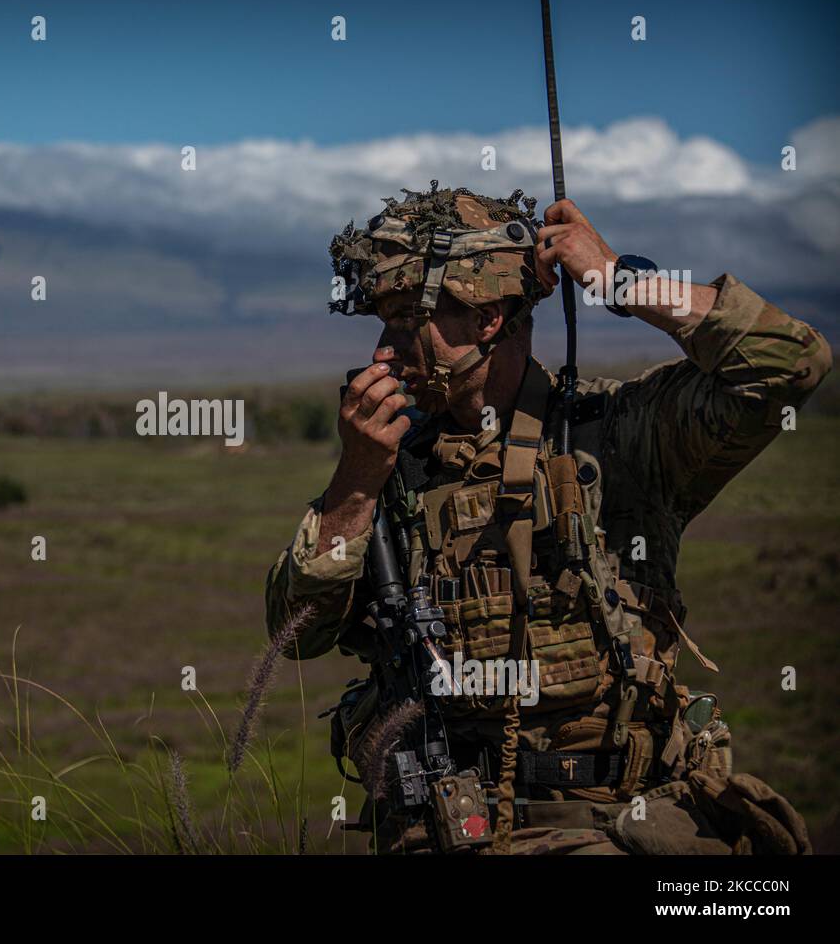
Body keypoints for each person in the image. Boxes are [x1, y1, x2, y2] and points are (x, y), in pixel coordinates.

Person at [264, 183, 830, 854]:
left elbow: (791, 363)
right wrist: (355, 487)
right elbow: (293, 636)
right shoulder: (392, 461)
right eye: (379, 322)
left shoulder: (619, 435)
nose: (385, 350)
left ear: (488, 318)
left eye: (406, 319)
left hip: (614, 826)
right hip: (440, 829)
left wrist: (623, 280)